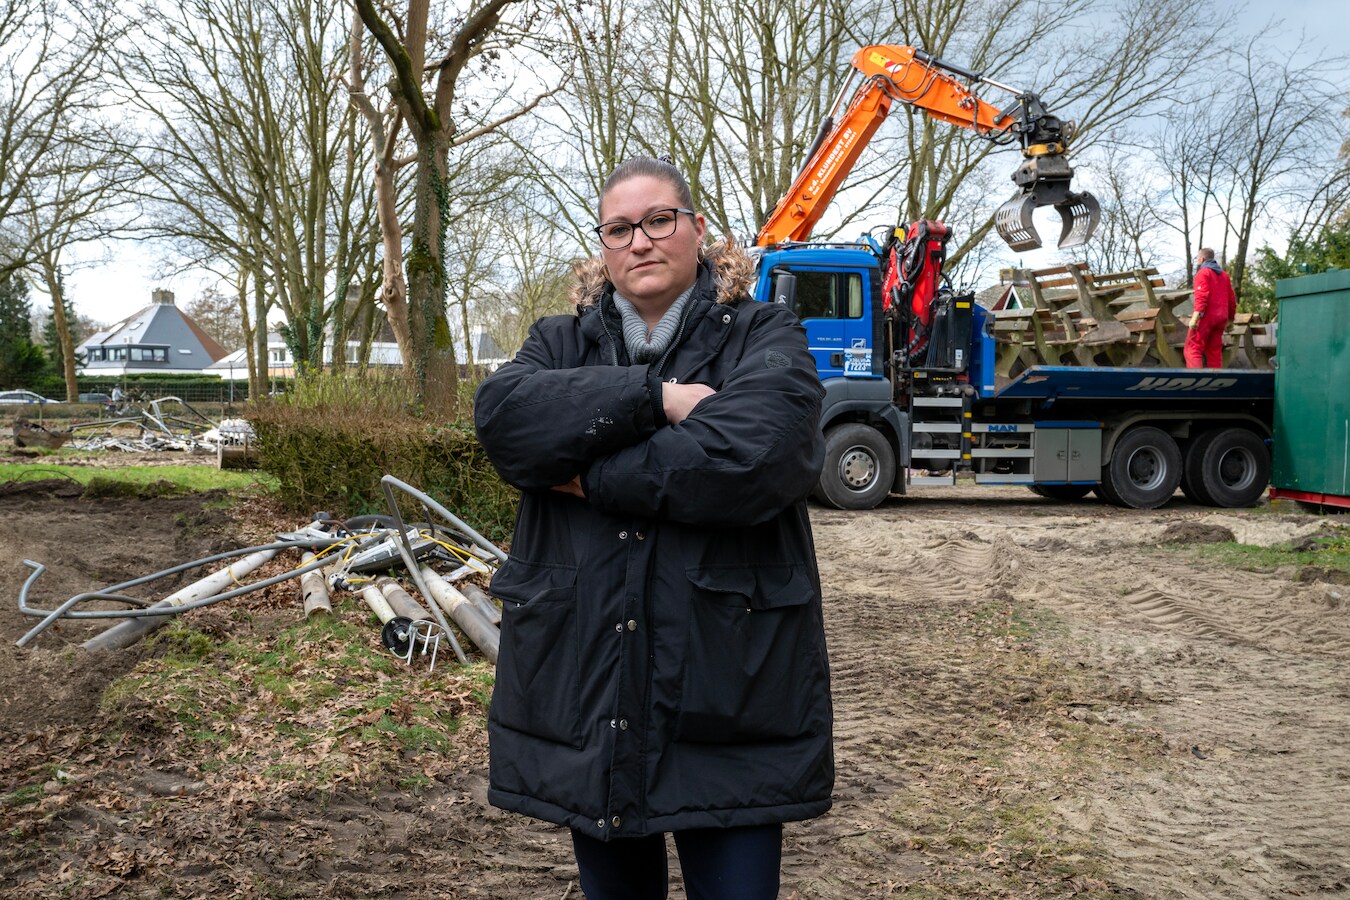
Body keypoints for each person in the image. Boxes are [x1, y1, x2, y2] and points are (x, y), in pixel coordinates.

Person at [473, 156, 834, 900]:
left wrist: (587, 474)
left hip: (729, 686)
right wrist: (659, 398)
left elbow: (753, 455)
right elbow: (508, 424)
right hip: (590, 687)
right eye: (619, 228)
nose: (640, 241)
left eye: (659, 220)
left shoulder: (765, 334)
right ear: (603, 248)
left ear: (697, 230)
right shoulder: (557, 342)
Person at [1184, 248, 1236, 368]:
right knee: (1214, 352)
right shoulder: (1225, 276)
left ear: (1202, 259)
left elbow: (1202, 297)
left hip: (1206, 317)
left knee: (1193, 349)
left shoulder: (1203, 273)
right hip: (1221, 318)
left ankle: (1195, 382)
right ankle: (1215, 383)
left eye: (1198, 258)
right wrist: (1230, 320)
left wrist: (1195, 317)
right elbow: (1232, 300)